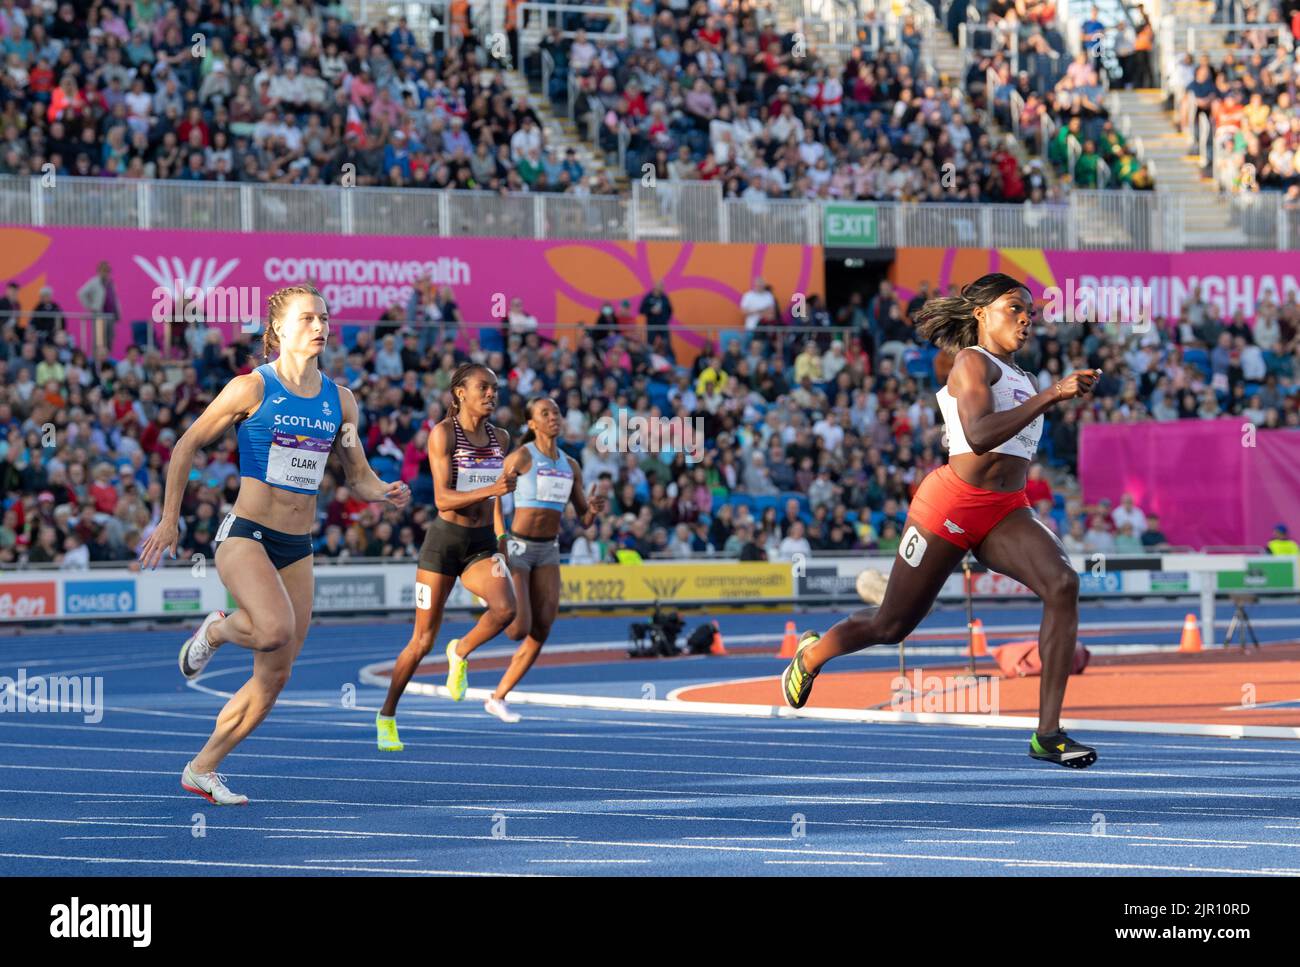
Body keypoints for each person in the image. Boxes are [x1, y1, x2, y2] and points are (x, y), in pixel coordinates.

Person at [779, 273, 1102, 768]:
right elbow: (977, 434)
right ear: (981, 315)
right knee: (892, 625)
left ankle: (1048, 733)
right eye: (1014, 307)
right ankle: (810, 656)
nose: (1025, 317)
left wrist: (1048, 393)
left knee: (1063, 584)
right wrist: (1055, 394)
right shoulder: (972, 362)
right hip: (950, 505)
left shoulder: (1025, 378)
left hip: (1005, 509)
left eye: (1030, 312)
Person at [139, 284, 410, 804]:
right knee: (273, 628)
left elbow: (357, 474)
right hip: (246, 536)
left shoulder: (341, 401)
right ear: (279, 330)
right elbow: (185, 444)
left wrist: (384, 492)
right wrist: (170, 519)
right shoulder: (251, 389)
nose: (320, 326)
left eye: (325, 318)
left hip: (296, 546)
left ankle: (202, 767)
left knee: (275, 677)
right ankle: (218, 630)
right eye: (308, 318)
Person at [376, 363, 518, 751]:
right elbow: (442, 500)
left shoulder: (501, 437)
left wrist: (502, 534)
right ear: (460, 392)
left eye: (495, 387)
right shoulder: (443, 435)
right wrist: (493, 486)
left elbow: (497, 496)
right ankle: (387, 714)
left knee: (506, 610)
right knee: (421, 642)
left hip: (482, 543)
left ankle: (460, 651)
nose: (492, 394)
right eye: (483, 387)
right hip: (444, 542)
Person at [490, 397, 607, 722]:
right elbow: (493, 498)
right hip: (519, 548)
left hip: (549, 550)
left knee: (542, 629)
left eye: (556, 411)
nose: (553, 417)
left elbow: (583, 520)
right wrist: (501, 537)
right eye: (545, 413)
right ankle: (487, 613)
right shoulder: (522, 456)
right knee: (517, 629)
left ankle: (498, 696)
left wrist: (593, 512)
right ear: (532, 423)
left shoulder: (571, 465)